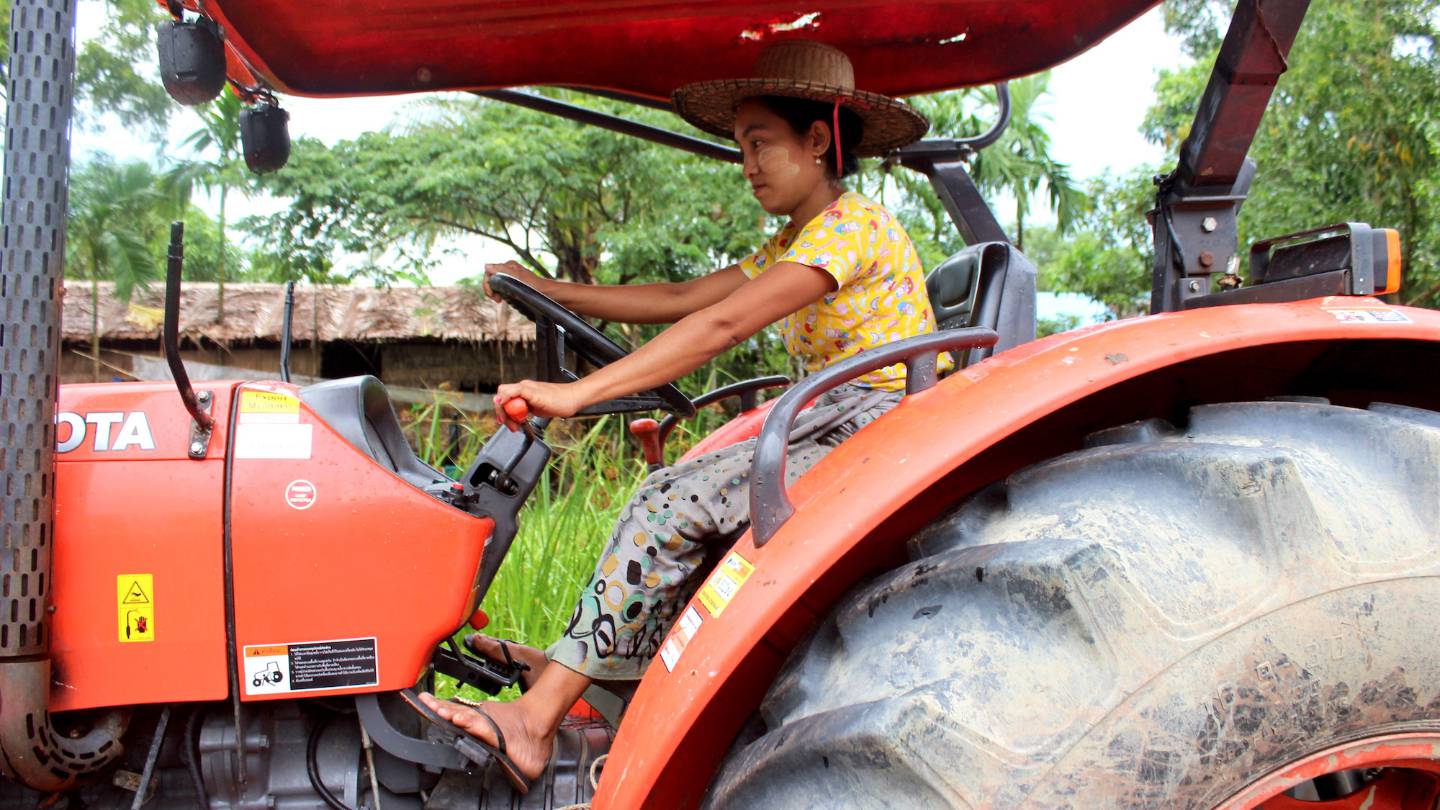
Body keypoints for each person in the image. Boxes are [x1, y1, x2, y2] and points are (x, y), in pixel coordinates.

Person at [414, 39, 941, 792]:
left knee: (667, 504)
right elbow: (677, 299)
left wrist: (576, 395)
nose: (748, 164)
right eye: (741, 147)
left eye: (760, 144)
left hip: (871, 418)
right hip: (827, 413)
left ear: (818, 140)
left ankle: (534, 722)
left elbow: (723, 327)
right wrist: (551, 289)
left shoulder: (854, 228)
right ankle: (588, 685)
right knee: (671, 493)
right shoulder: (798, 238)